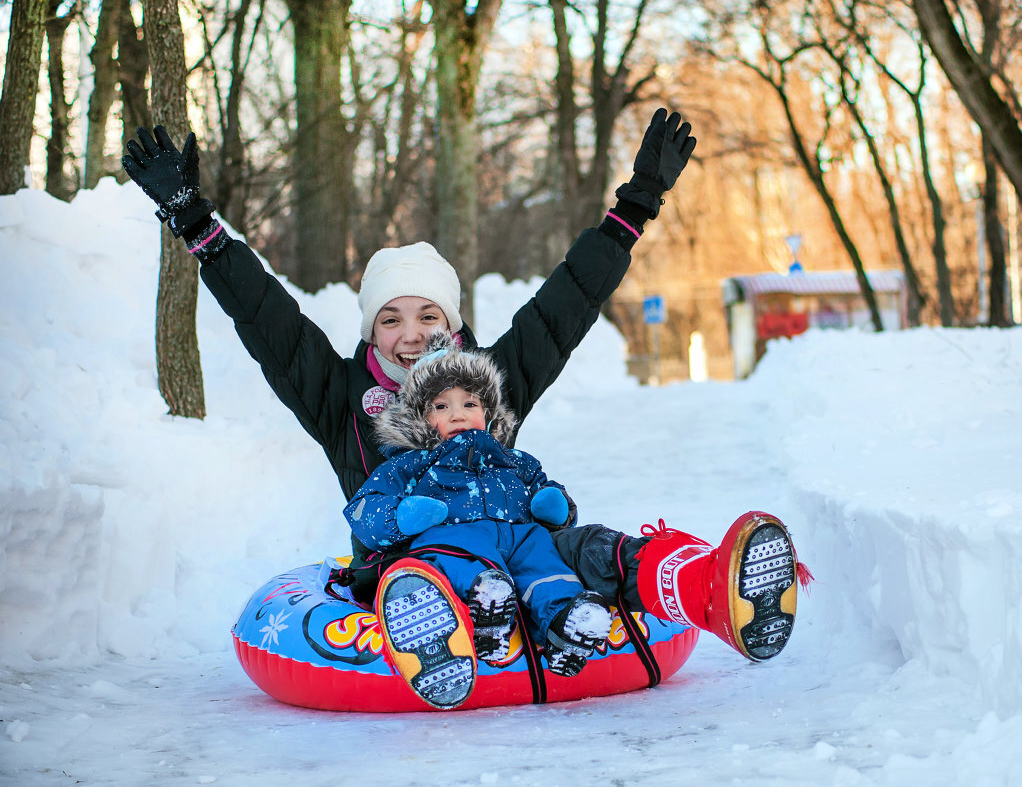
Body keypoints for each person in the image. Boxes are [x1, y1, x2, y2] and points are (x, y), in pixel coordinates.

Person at [121, 109, 805, 668]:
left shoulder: (490, 387)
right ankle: (452, 626)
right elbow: (269, 321)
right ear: (372, 333)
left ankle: (709, 588)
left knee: (590, 547)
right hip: (412, 575)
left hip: (520, 553)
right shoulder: (341, 399)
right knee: (434, 569)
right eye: (390, 319)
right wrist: (194, 222)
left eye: (428, 316)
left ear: (453, 325)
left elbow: (563, 307)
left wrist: (637, 204)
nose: (411, 335)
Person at [346, 332, 612, 708]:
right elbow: (363, 510)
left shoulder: (514, 460)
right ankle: (485, 601)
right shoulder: (409, 464)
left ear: (487, 413)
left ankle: (565, 623)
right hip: (453, 537)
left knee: (543, 558)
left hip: (518, 537)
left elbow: (546, 490)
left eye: (469, 403)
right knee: (458, 553)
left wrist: (555, 504)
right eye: (441, 407)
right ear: (420, 419)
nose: (457, 414)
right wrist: (401, 518)